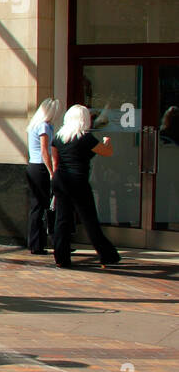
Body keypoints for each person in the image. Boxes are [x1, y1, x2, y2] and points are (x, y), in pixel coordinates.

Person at [51, 105, 121, 269]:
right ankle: (107, 255)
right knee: (89, 219)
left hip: (60, 179)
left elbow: (56, 162)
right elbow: (106, 152)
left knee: (62, 219)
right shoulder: (85, 138)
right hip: (78, 181)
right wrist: (107, 142)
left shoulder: (59, 137)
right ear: (85, 119)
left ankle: (61, 258)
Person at [25, 98, 59, 255]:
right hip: (40, 167)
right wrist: (51, 171)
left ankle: (35, 243)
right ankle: (37, 244)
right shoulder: (45, 126)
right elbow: (45, 150)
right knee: (40, 206)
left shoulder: (34, 125)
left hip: (33, 166)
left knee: (36, 206)